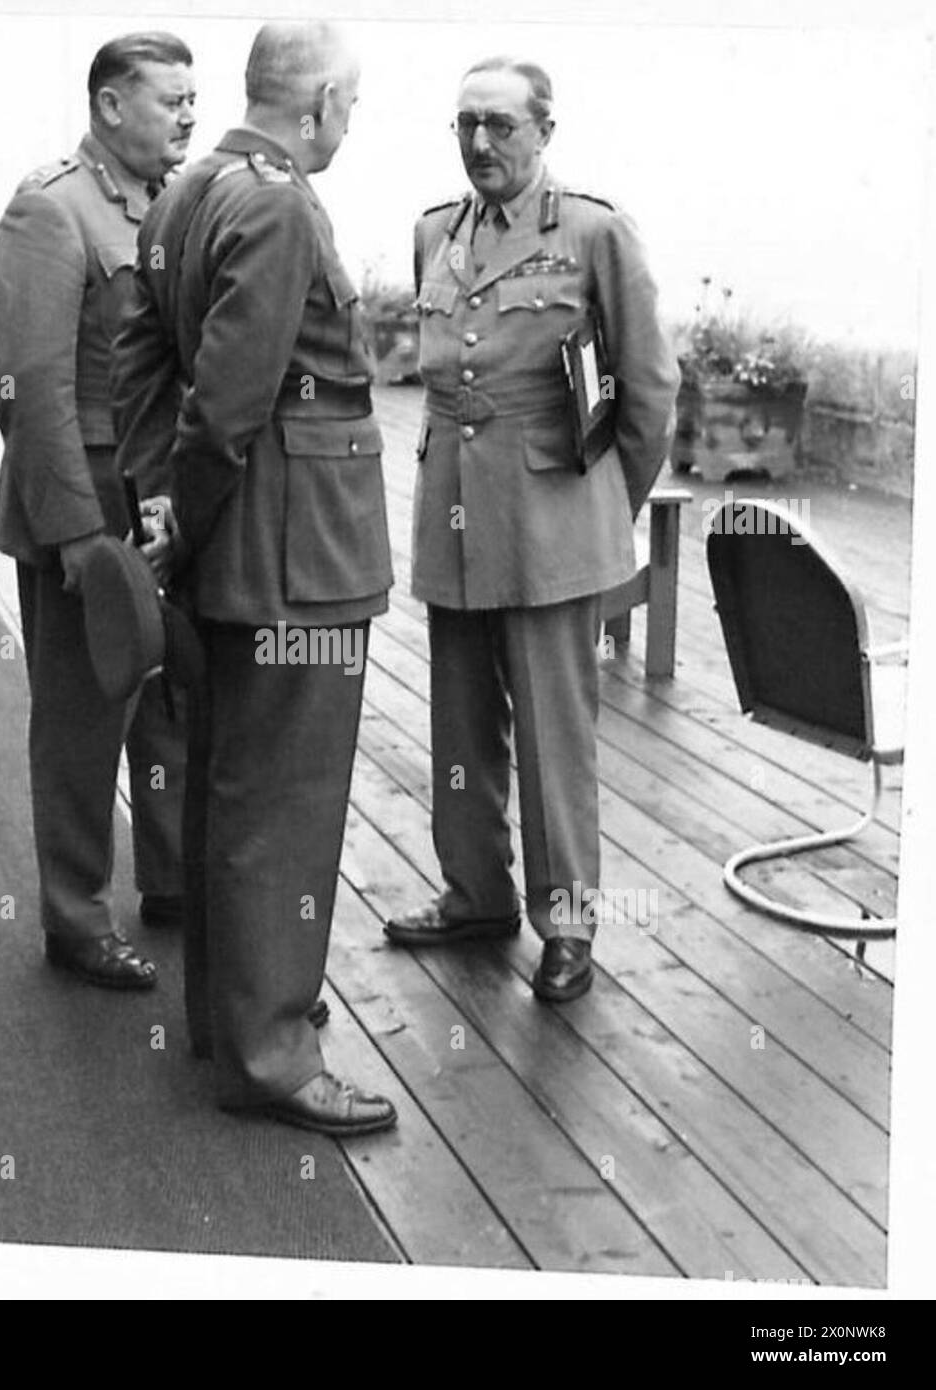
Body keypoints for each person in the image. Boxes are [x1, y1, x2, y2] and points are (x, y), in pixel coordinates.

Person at [113, 21, 397, 1135]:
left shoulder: (188, 190)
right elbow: (227, 400)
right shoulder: (275, 201)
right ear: (319, 101)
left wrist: (155, 504)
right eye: (352, 102)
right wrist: (182, 521)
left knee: (231, 785)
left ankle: (230, 1018)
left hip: (239, 548)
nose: (348, 121)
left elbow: (140, 365)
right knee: (284, 800)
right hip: (295, 552)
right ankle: (273, 1055)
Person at [384, 58, 679, 1003]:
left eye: (500, 126)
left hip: (551, 524)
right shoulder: (436, 229)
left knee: (556, 741)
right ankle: (476, 893)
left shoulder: (593, 233)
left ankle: (567, 925)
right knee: (462, 724)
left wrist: (598, 512)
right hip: (454, 520)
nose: (480, 145)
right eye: (465, 125)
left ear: (544, 132)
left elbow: (649, 391)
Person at [0, 33, 196, 990]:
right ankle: (74, 922)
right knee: (81, 720)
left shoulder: (172, 206)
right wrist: (74, 530)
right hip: (84, 504)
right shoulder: (51, 209)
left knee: (168, 701)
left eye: (194, 100)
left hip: (157, 500)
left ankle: (169, 882)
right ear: (111, 107)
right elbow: (29, 390)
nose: (188, 116)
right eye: (169, 101)